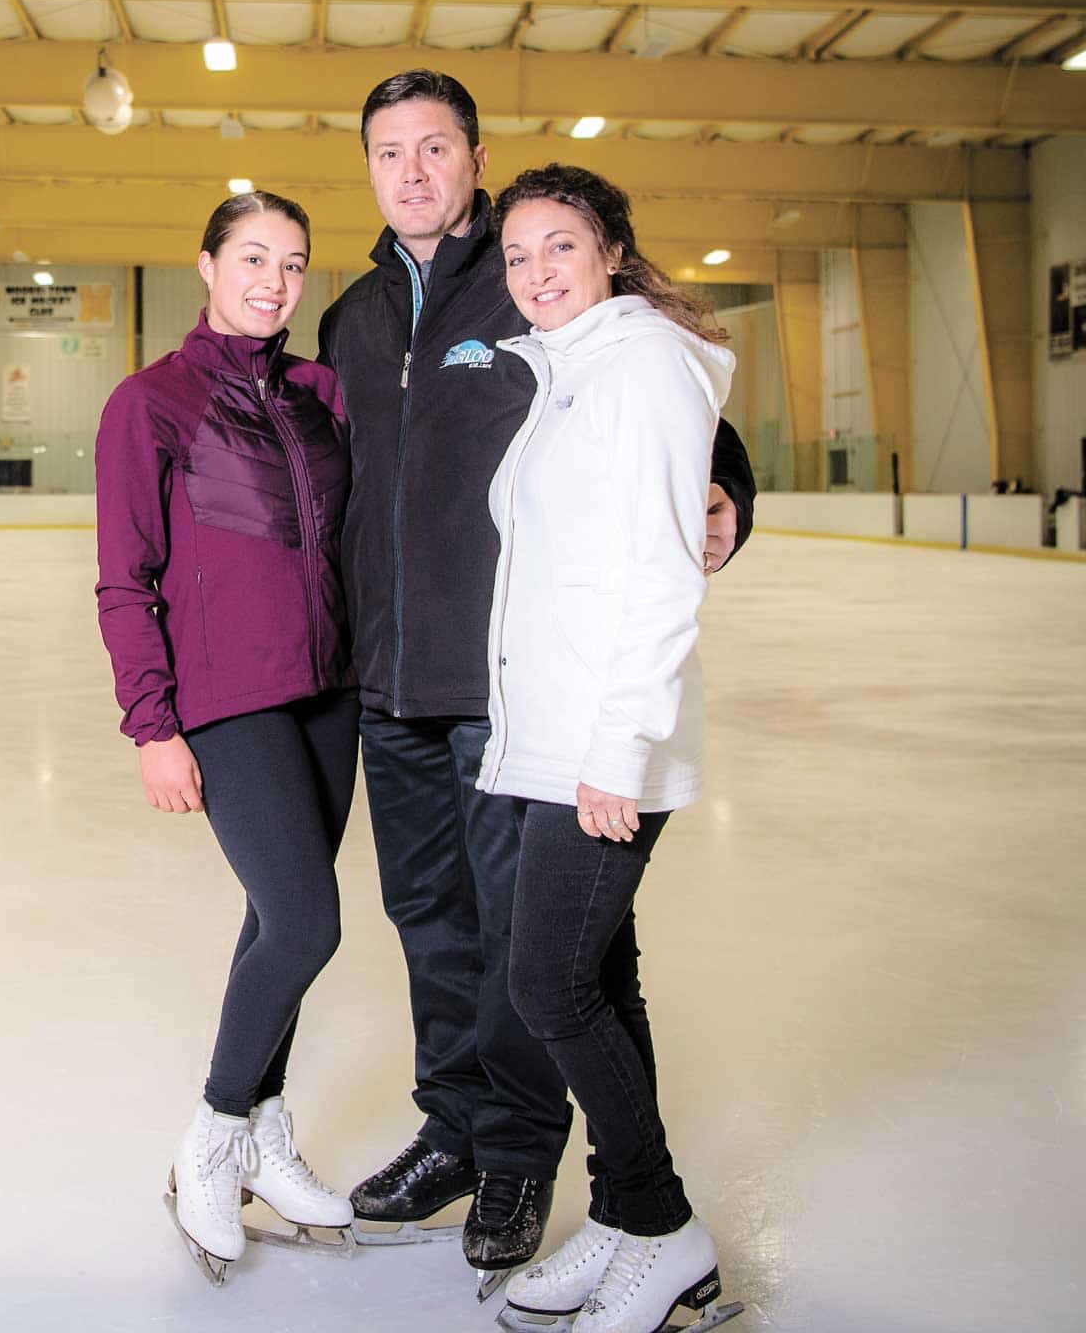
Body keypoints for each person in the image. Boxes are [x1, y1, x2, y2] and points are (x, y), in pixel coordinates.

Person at [315, 70, 755, 1288]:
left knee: (526, 941)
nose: (410, 171)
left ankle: (518, 1151)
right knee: (427, 924)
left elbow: (683, 433)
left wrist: (733, 497)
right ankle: (454, 1125)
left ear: (472, 156)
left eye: (434, 147)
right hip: (387, 682)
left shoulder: (526, 284)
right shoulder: (349, 317)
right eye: (386, 152)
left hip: (508, 686)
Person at [483, 163, 744, 1333]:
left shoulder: (637, 366)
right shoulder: (570, 372)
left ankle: (661, 1226)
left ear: (610, 254)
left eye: (559, 248)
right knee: (596, 977)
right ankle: (623, 1219)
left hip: (602, 741)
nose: (536, 272)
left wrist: (617, 749)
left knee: (546, 980)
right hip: (558, 735)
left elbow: (654, 572)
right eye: (517, 255)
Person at [95, 191, 357, 1286]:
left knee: (273, 916)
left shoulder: (318, 393)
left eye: (293, 264)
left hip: (331, 693)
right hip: (228, 700)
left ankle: (262, 1129)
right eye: (252, 257)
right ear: (203, 264)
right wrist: (152, 724)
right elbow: (123, 578)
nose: (273, 281)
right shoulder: (150, 403)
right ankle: (212, 1133)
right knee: (305, 923)